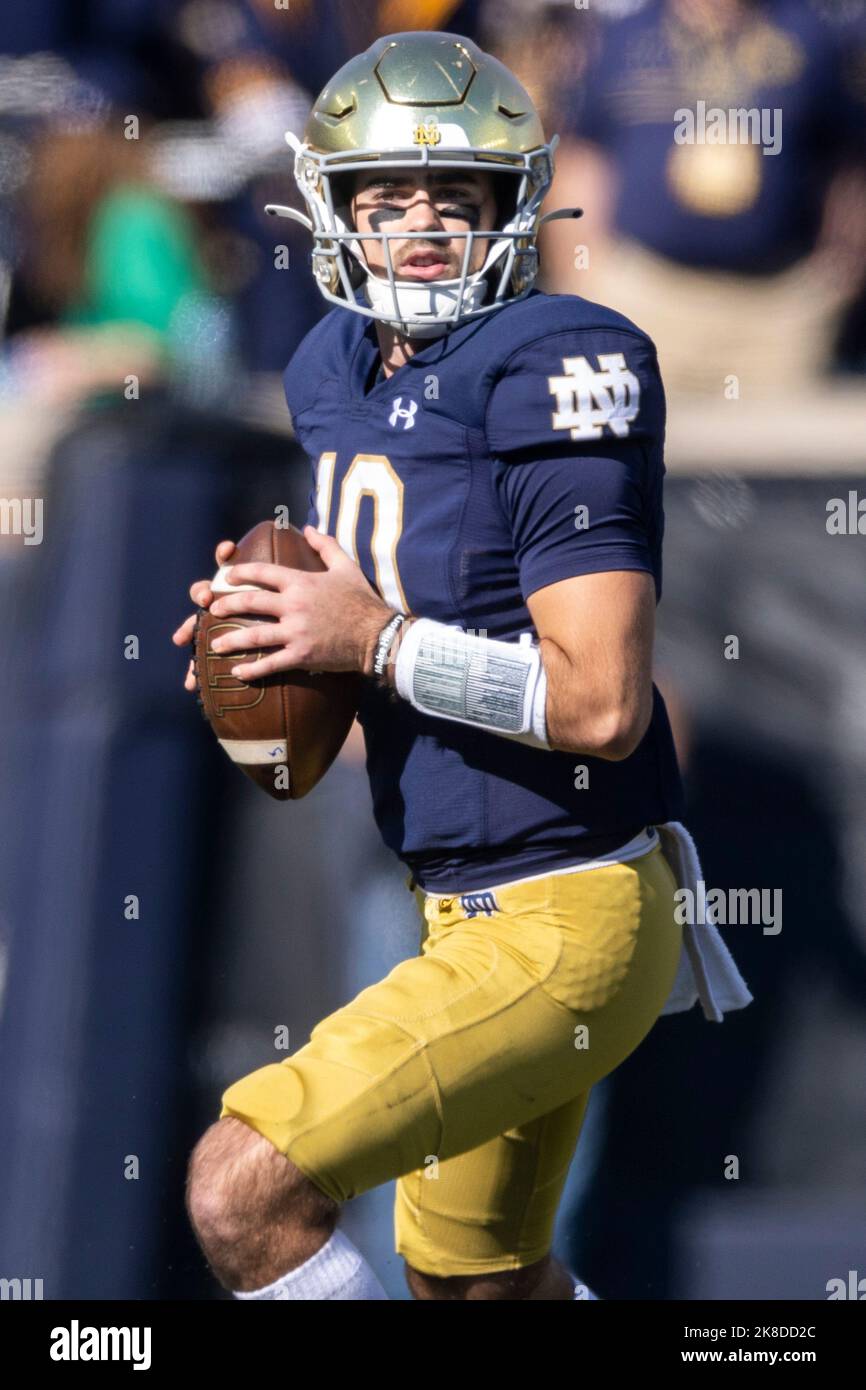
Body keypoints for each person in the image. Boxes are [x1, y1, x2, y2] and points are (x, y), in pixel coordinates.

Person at [172, 30, 750, 1301]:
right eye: (386, 197)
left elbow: (599, 704)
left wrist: (366, 638)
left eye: (455, 196)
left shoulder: (557, 362)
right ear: (333, 209)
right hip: (456, 900)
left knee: (242, 1183)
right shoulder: (331, 365)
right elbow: (373, 578)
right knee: (475, 1285)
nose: (422, 226)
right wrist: (264, 615)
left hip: (565, 910)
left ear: (513, 205)